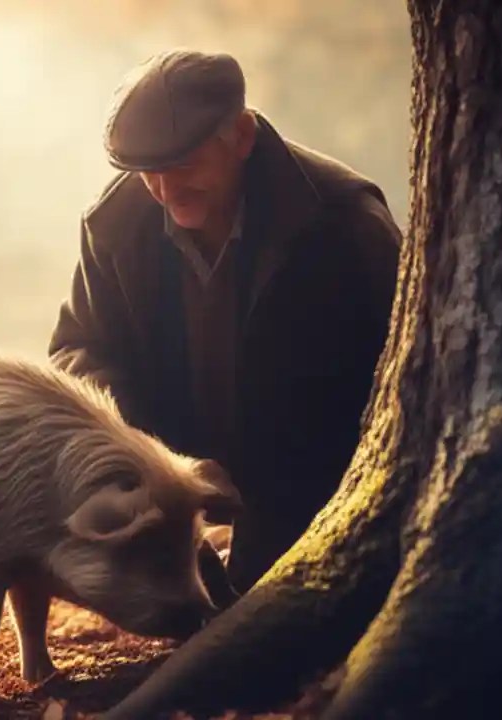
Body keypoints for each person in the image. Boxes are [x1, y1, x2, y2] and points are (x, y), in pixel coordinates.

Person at [48, 48, 401, 595]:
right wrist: (158, 466)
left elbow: (401, 371)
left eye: (184, 165)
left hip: (314, 480)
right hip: (168, 479)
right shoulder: (113, 224)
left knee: (267, 608)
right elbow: (79, 352)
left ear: (241, 136)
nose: (166, 192)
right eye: (148, 173)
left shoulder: (344, 221)